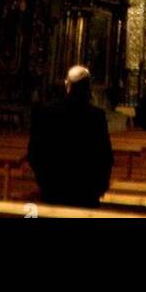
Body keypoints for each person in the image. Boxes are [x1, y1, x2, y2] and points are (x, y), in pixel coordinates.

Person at [26, 65, 114, 207]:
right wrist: (99, 188)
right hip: (86, 193)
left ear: (68, 85)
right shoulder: (96, 116)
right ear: (88, 87)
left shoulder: (47, 112)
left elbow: (34, 153)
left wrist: (44, 181)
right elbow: (105, 157)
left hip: (52, 190)